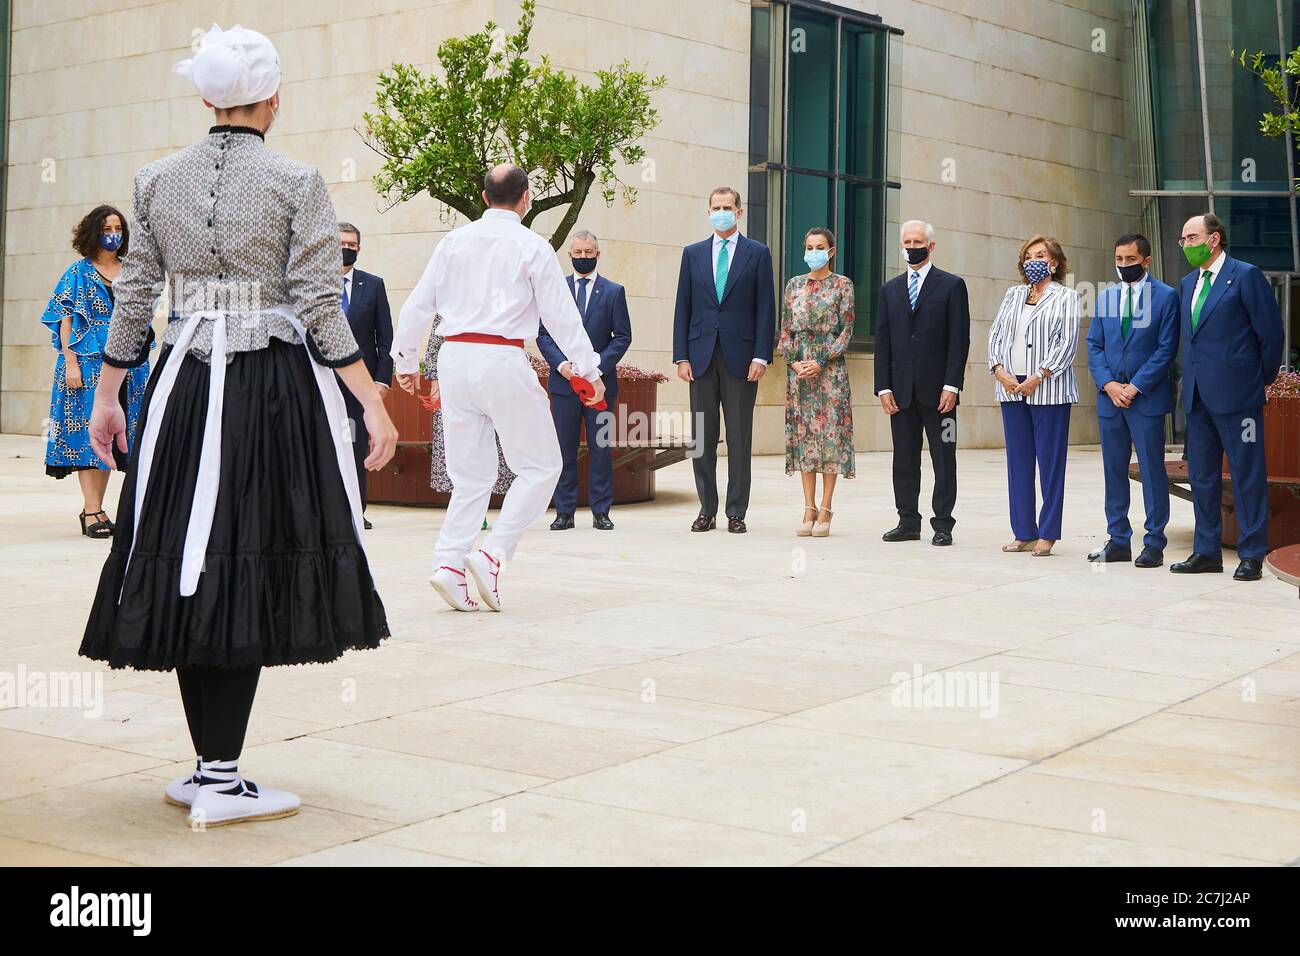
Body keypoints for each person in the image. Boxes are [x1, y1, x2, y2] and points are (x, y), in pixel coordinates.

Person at [80, 25, 397, 829]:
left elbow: (136, 295)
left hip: (184, 384)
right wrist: (371, 399)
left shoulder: (156, 180)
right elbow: (321, 304)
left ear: (205, 98)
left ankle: (207, 765)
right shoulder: (298, 180)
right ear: (273, 100)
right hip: (268, 390)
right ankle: (220, 774)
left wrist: (109, 394)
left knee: (192, 553)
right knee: (248, 551)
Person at [392, 164, 604, 612]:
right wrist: (590, 372)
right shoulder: (533, 246)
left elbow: (417, 305)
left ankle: (449, 564)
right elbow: (562, 317)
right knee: (542, 466)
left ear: (485, 198)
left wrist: (405, 362)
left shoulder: (453, 242)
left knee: (471, 476)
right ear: (526, 199)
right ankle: (492, 556)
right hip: (501, 357)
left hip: (454, 359)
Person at [1170, 213, 1284, 581]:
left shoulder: (1245, 275)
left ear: (1213, 239)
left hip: (1239, 398)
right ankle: (1206, 551)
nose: (1186, 244)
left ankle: (1252, 553)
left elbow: (1270, 334)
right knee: (1202, 477)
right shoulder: (1187, 283)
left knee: (1246, 475)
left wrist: (1259, 382)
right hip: (1199, 397)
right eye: (1184, 239)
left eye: (1191, 237)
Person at [41, 205, 151, 537]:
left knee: (114, 439)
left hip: (129, 365)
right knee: (88, 436)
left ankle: (104, 509)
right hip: (86, 364)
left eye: (118, 228)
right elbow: (66, 319)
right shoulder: (78, 272)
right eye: (106, 229)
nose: (113, 235)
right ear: (94, 233)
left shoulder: (132, 271)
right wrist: (71, 363)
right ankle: (92, 510)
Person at [672, 186, 776, 534]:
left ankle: (736, 512)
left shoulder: (758, 254)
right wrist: (681, 356)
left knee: (739, 438)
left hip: (742, 358)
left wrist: (762, 354)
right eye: (716, 207)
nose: (721, 212)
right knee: (702, 438)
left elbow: (766, 309)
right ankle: (707, 509)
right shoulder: (692, 253)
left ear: (739, 212)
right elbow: (682, 307)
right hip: (700, 357)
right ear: (708, 211)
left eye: (727, 207)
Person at [874, 220, 970, 547]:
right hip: (900, 394)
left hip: (941, 395)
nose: (911, 246)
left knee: (944, 457)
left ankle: (943, 523)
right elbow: (883, 343)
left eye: (918, 241)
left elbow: (960, 341)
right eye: (907, 241)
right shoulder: (889, 290)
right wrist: (883, 387)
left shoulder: (952, 286)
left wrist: (952, 386)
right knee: (904, 457)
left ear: (931, 246)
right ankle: (907, 522)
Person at [1085, 233, 1179, 568]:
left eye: (1130, 260)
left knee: (1152, 471)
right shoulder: (1106, 297)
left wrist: (1135, 386)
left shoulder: (1166, 297)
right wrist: (1109, 384)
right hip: (1110, 401)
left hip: (1146, 400)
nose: (1124, 265)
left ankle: (1154, 542)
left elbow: (1166, 349)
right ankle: (1118, 540)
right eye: (1119, 260)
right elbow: (1094, 345)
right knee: (1113, 471)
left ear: (1146, 261)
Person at [987, 235, 1080, 557]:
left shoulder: (1066, 297)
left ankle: (1048, 533)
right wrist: (998, 369)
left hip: (1049, 389)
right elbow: (996, 334)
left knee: (1050, 463)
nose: (1032, 262)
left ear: (1054, 263)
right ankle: (1023, 530)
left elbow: (1066, 344)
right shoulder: (1013, 295)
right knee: (1019, 461)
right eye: (1028, 256)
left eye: (1039, 256)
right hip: (1011, 387)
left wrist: (1039, 375)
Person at [538, 229, 632, 531]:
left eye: (588, 252)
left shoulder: (614, 291)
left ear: (598, 253)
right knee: (564, 449)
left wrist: (596, 366)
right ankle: (563, 511)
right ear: (569, 255)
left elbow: (622, 337)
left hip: (600, 386)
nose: (583, 257)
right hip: (564, 384)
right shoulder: (557, 290)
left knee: (600, 449)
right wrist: (563, 365)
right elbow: (543, 334)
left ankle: (601, 511)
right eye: (577, 253)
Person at [777, 226, 855, 536]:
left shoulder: (842, 285)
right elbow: (785, 329)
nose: (813, 253)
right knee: (805, 436)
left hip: (829, 370)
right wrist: (795, 362)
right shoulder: (793, 285)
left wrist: (821, 361)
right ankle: (808, 507)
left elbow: (847, 330)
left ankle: (826, 507)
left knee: (830, 437)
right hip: (799, 370)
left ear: (831, 251)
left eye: (819, 247)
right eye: (809, 247)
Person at [423, 313, 516, 514]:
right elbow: (434, 345)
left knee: (491, 450)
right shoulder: (451, 301)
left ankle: (481, 506)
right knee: (460, 450)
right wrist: (435, 382)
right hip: (455, 385)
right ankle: (466, 507)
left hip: (492, 382)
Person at [338, 221, 394, 529]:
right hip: (320, 383)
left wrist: (382, 381)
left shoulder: (373, 285)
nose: (345, 250)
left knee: (355, 445)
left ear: (359, 248)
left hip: (360, 386)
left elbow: (385, 338)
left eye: (351, 245)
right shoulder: (313, 286)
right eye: (340, 244)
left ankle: (355, 511)